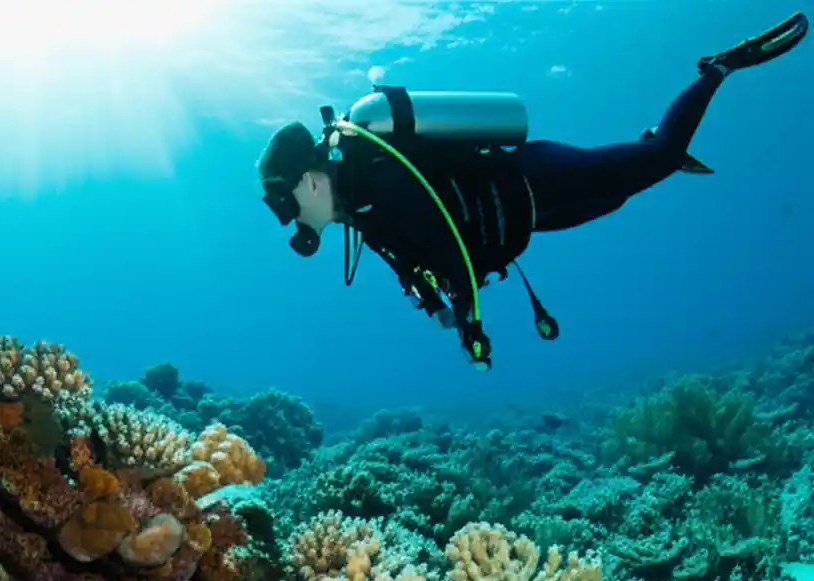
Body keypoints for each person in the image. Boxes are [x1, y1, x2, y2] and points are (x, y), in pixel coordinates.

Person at [258, 12, 808, 370]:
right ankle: (647, 155)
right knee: (619, 194)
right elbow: (413, 260)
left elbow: (447, 244)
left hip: (533, 176)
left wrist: (471, 325)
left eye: (290, 207)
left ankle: (716, 71)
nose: (295, 221)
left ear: (309, 180)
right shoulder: (362, 206)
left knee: (658, 158)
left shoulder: (378, 179)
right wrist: (436, 306)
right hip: (529, 216)